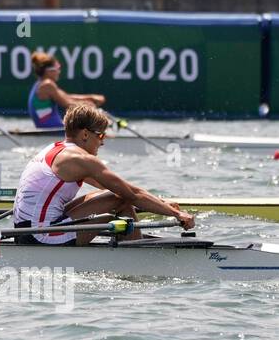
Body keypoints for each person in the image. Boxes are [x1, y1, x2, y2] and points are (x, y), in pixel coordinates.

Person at [12, 103, 194, 246]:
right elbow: (130, 194)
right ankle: (136, 258)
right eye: (101, 136)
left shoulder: (54, 149)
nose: (103, 143)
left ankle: (132, 244)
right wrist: (176, 215)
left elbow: (118, 189)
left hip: (26, 233)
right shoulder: (80, 159)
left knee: (112, 197)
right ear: (84, 134)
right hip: (41, 238)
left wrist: (160, 204)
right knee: (120, 200)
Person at [28, 50, 105, 129]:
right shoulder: (47, 85)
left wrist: (91, 98)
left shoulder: (41, 83)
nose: (59, 72)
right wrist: (89, 106)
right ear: (49, 71)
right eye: (58, 68)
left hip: (52, 126)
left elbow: (66, 96)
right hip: (52, 128)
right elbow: (67, 104)